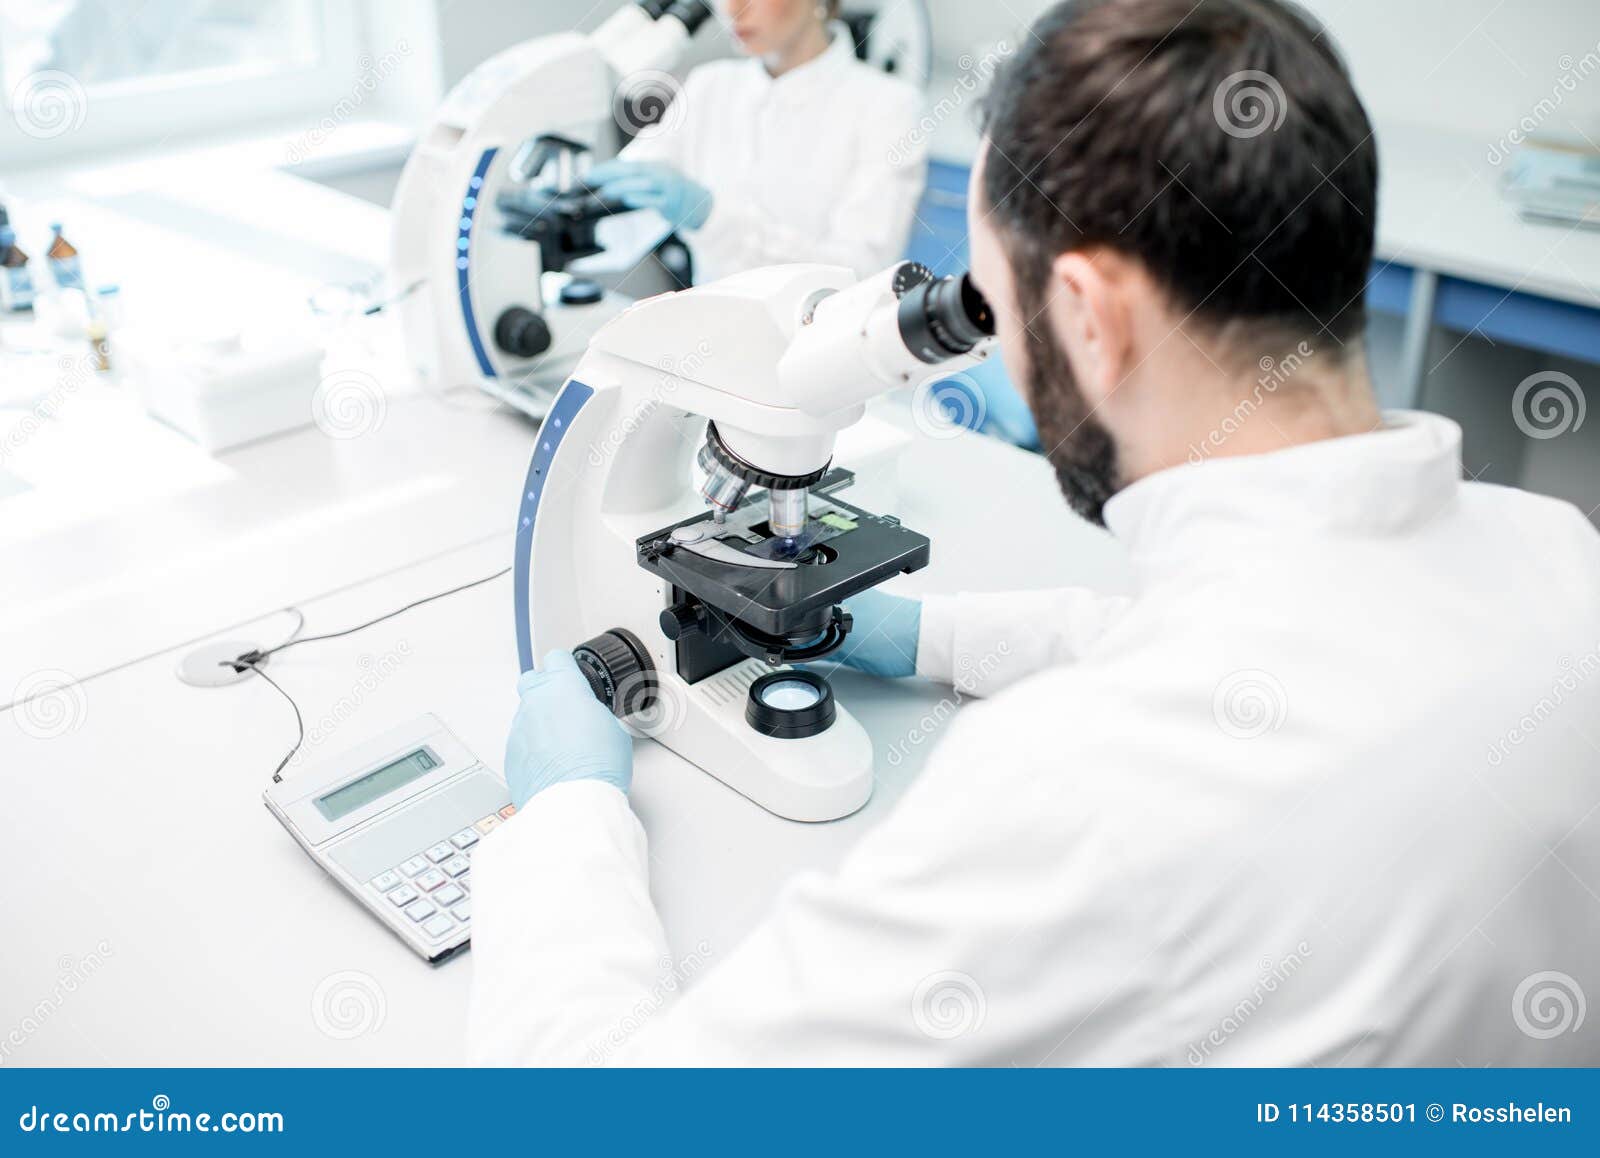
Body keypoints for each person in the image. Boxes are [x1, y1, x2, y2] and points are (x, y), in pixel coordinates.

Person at [470, 0, 1600, 1065]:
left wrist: (567, 817)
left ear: (1089, 319)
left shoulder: (1070, 797)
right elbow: (1280, 650)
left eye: (992, 309)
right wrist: (926, 636)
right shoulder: (1558, 554)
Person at [581, 0, 926, 284]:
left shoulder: (888, 106)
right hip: (709, 342)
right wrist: (570, 215)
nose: (732, 8)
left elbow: (859, 274)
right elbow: (622, 225)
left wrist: (714, 219)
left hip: (814, 353)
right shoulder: (710, 86)